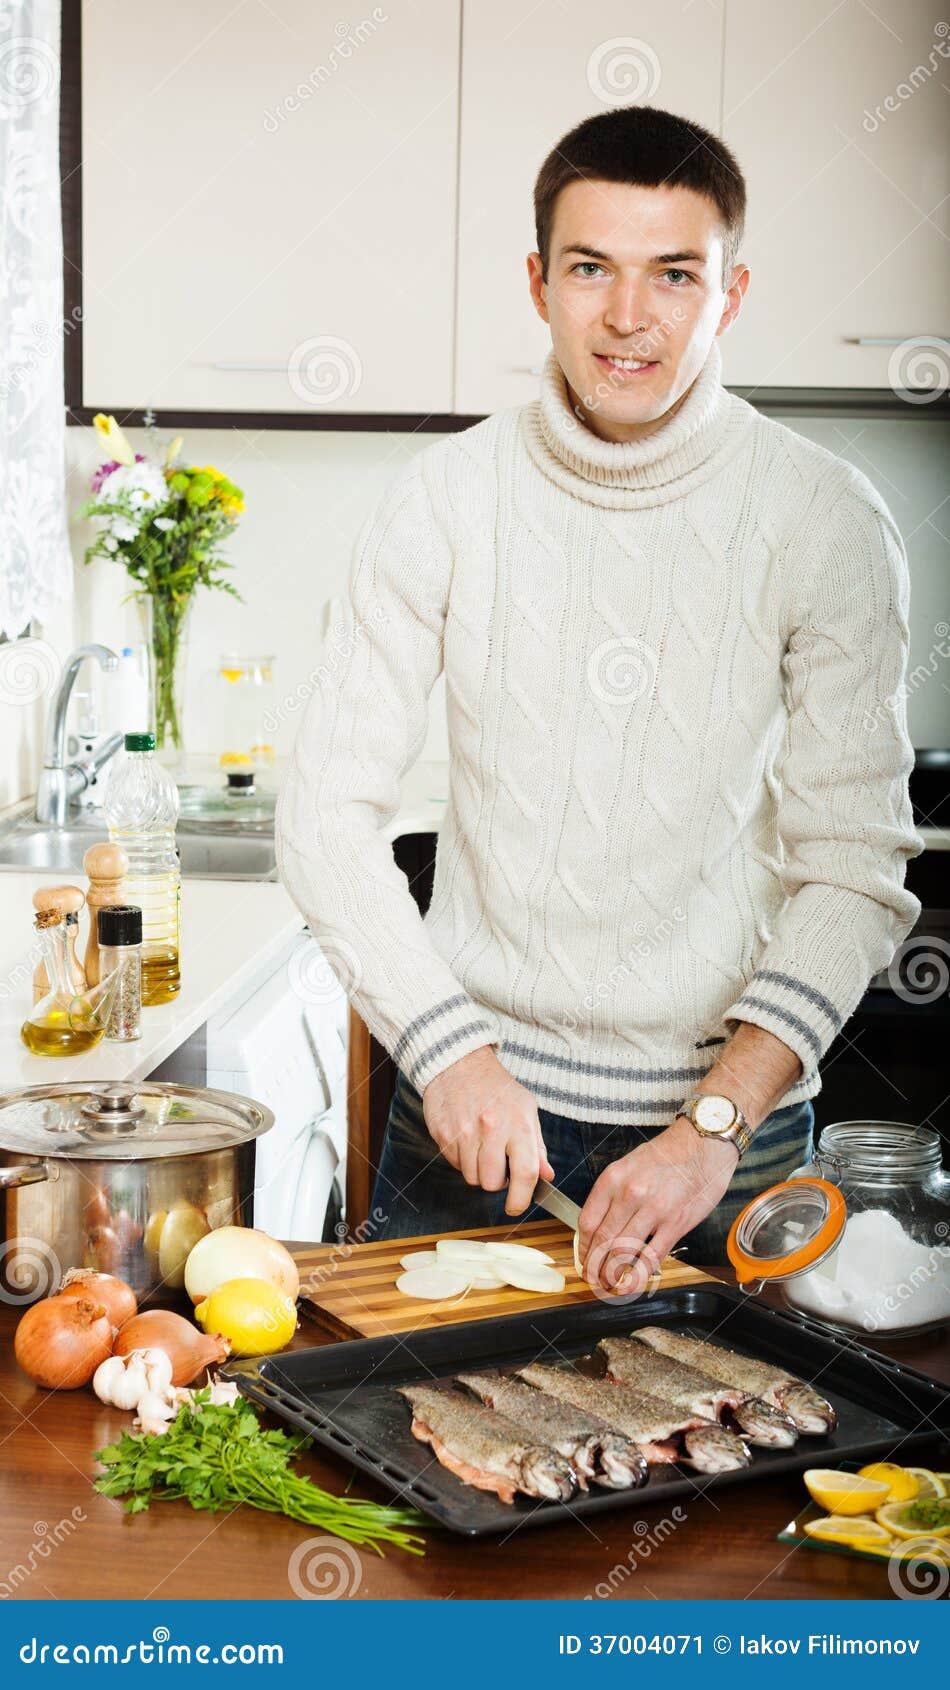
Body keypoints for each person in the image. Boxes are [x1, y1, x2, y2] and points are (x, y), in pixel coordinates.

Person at [276, 104, 921, 1292]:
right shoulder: (442, 499)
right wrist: (448, 1050)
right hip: (472, 1117)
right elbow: (322, 813)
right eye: (590, 269)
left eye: (672, 274)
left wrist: (710, 1129)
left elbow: (851, 870)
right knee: (426, 1462)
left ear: (726, 294)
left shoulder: (822, 518)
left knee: (738, 1461)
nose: (628, 317)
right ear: (537, 283)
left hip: (730, 1138)